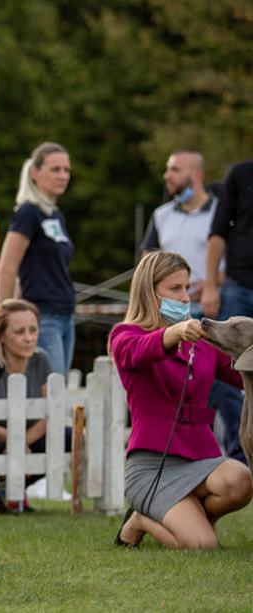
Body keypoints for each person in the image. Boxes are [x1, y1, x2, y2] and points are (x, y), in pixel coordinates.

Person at [110, 250, 252, 549]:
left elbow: (239, 371)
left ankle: (187, 516)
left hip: (202, 460)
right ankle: (139, 520)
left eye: (187, 287)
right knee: (203, 546)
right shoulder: (124, 336)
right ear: (150, 292)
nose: (186, 297)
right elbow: (140, 351)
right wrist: (174, 332)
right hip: (151, 468)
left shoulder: (203, 344)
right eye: (175, 289)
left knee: (242, 480)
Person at [0, 142, 75, 375]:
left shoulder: (56, 215)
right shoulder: (27, 213)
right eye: (55, 169)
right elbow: (7, 268)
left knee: (58, 390)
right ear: (35, 173)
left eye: (66, 170)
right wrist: (5, 315)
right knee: (51, 390)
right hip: (41, 316)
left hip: (66, 314)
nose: (63, 175)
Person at [0, 298, 53, 512]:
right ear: (1, 335)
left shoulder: (42, 360)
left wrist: (20, 442)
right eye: (19, 332)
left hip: (29, 438)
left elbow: (51, 413)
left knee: (66, 438)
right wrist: (13, 441)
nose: (28, 338)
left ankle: (13, 489)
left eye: (33, 330)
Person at [141, 150, 221, 318]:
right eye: (167, 170)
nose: (167, 176)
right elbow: (146, 265)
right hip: (170, 314)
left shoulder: (222, 213)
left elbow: (240, 264)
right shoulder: (160, 215)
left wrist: (211, 284)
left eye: (175, 170)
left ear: (197, 175)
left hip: (213, 311)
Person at [202, 160, 253, 320]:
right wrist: (210, 286)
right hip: (238, 287)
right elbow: (218, 232)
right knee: (226, 345)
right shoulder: (240, 173)